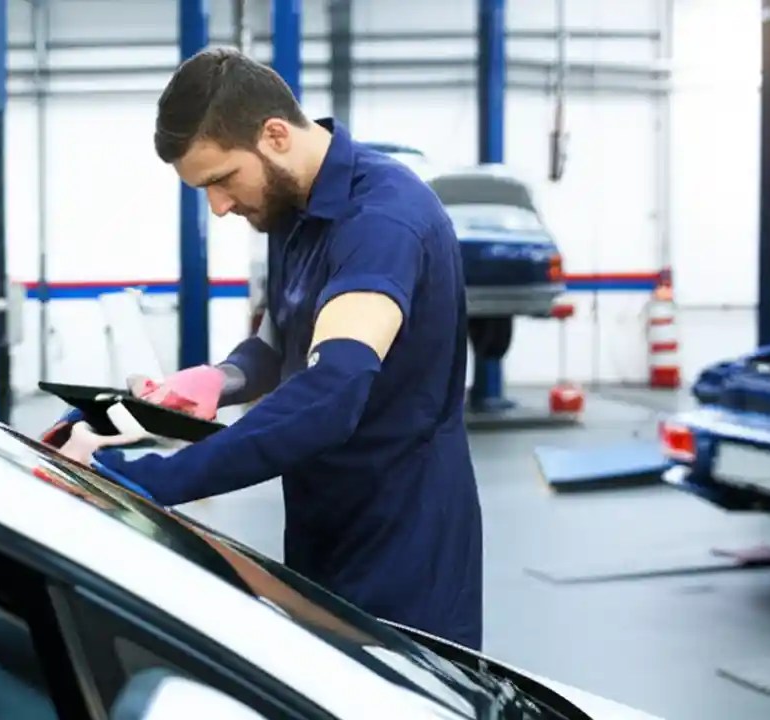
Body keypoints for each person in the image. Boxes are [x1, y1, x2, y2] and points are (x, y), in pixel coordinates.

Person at [57, 47, 483, 650]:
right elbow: (279, 342)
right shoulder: (294, 211)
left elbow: (331, 391)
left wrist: (150, 480)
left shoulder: (382, 223)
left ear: (275, 135)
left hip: (404, 545)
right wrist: (220, 379)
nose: (220, 206)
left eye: (222, 180)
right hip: (322, 524)